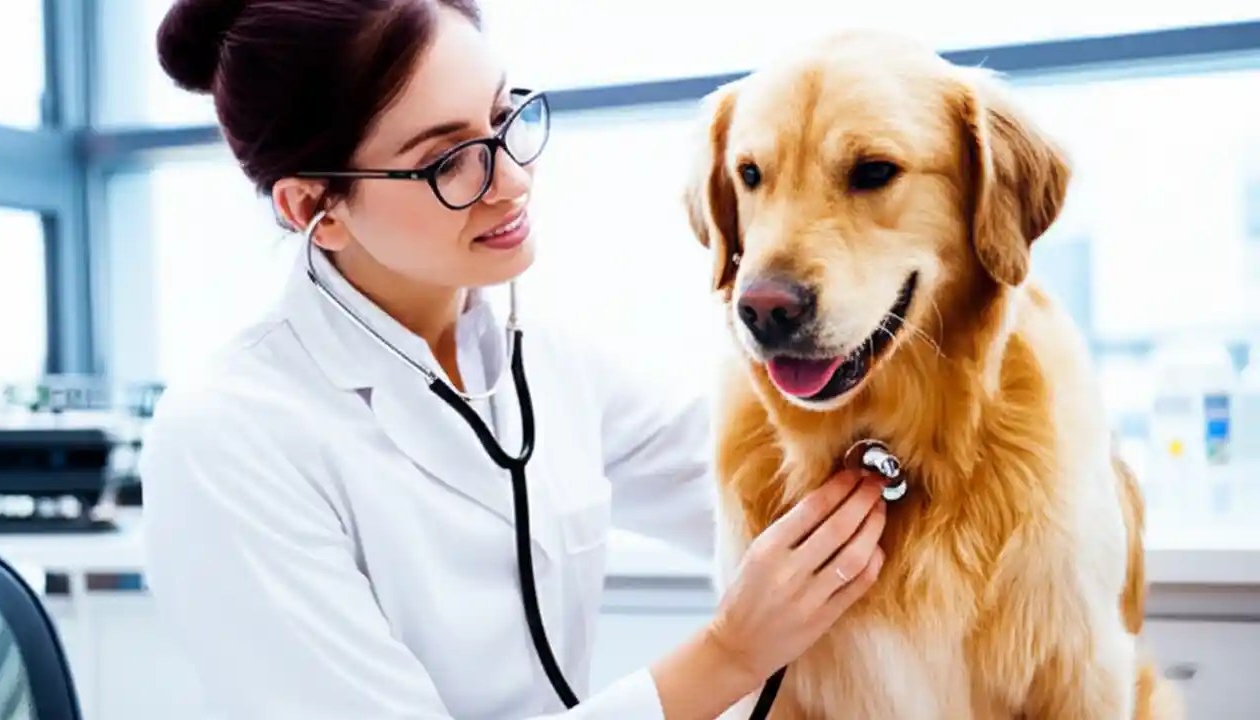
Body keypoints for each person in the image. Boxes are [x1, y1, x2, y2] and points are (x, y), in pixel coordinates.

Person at [139, 1, 890, 718]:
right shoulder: (225, 438)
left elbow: (769, 484)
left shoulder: (544, 359)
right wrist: (731, 653)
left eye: (503, 119)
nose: (513, 180)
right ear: (313, 210)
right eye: (448, 160)